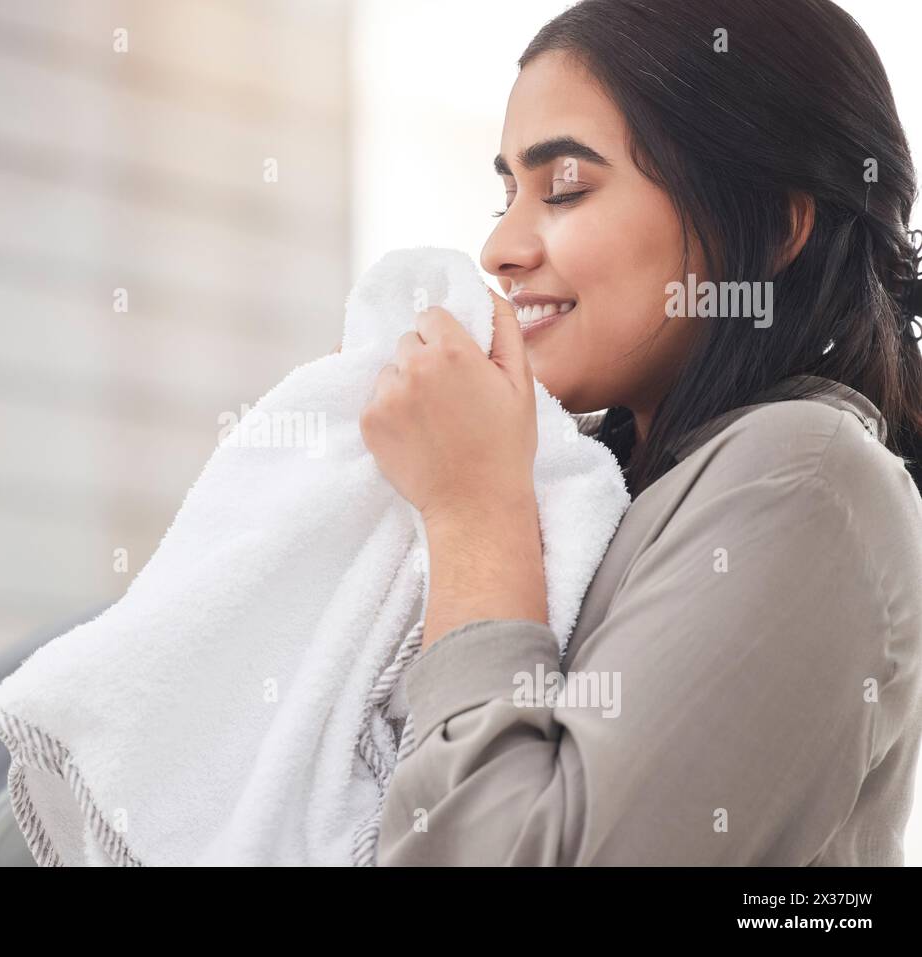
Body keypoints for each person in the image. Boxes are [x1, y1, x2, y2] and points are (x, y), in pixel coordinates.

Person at [366, 0, 922, 865]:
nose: (499, 248)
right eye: (506, 192)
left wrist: (475, 513)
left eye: (566, 188)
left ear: (774, 224)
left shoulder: (807, 477)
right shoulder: (599, 486)